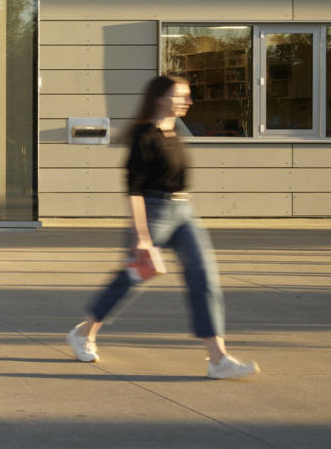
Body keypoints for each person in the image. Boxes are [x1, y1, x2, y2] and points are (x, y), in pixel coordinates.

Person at [67, 74, 257, 379]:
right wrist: (143, 238)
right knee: (132, 277)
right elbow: (134, 190)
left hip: (184, 213)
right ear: (160, 98)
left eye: (187, 95)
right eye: (181, 95)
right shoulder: (145, 137)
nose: (188, 101)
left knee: (204, 278)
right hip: (154, 213)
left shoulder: (175, 133)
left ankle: (218, 359)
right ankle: (83, 333)